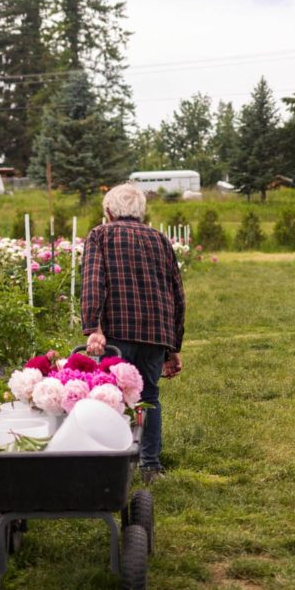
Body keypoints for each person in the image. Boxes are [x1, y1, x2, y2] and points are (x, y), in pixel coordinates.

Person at [80, 182, 185, 483]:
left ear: (109, 211)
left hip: (116, 333)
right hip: (155, 334)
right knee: (148, 396)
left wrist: (93, 329)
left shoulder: (100, 235)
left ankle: (111, 464)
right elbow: (176, 294)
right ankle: (149, 465)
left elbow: (92, 283)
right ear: (141, 211)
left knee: (109, 397)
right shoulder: (160, 239)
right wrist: (173, 347)